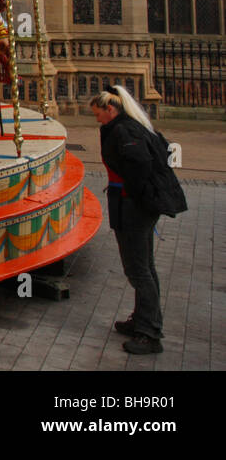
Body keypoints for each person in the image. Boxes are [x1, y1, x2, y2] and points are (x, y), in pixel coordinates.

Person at [91, 85, 172, 355]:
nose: (97, 119)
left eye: (98, 114)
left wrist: (132, 195)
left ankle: (149, 333)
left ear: (110, 109)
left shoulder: (124, 131)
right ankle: (143, 319)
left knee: (138, 269)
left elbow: (140, 166)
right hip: (131, 202)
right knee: (144, 266)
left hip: (133, 205)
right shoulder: (129, 127)